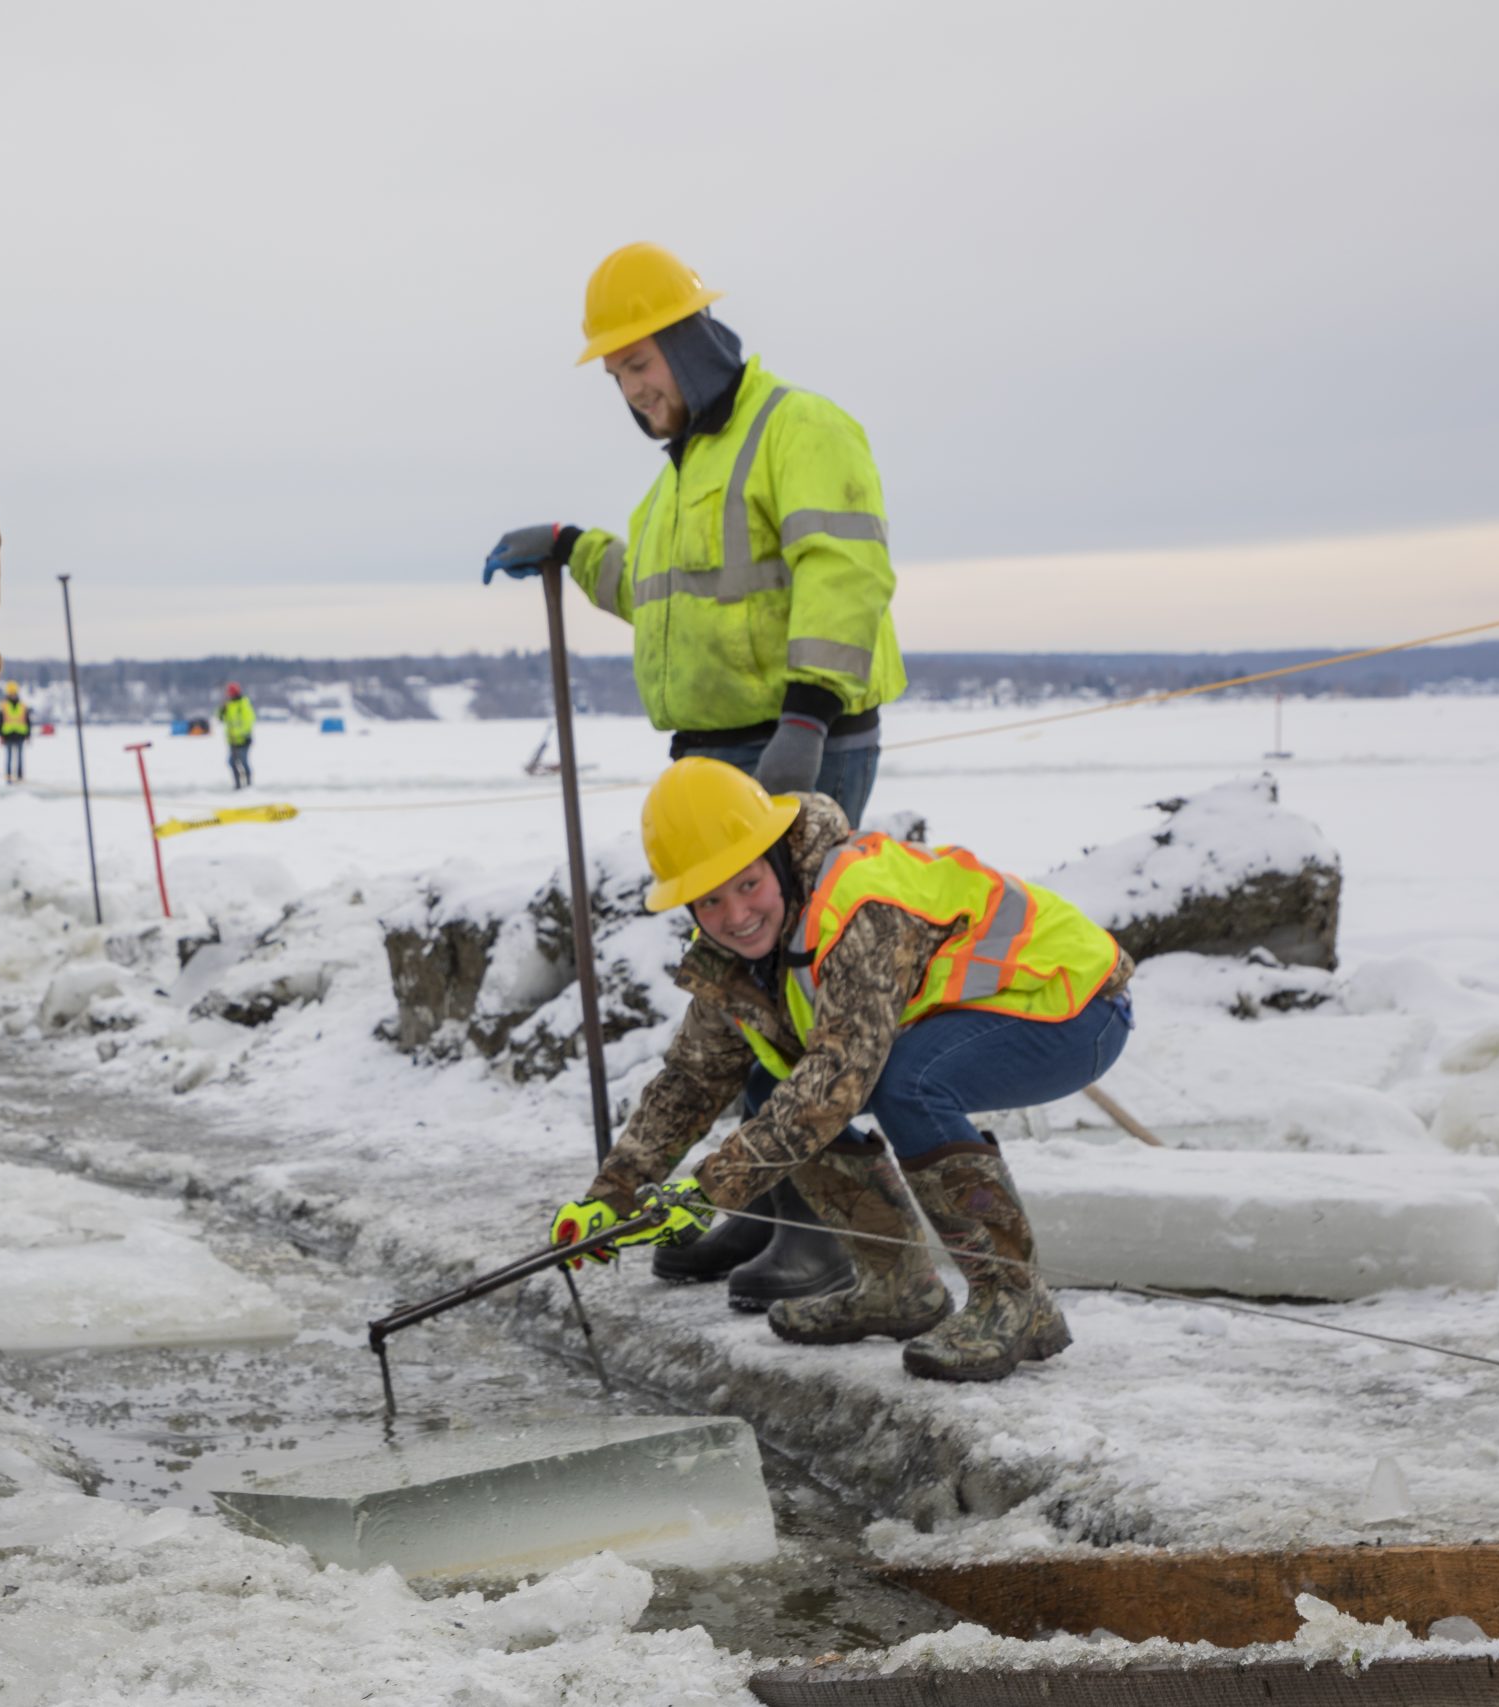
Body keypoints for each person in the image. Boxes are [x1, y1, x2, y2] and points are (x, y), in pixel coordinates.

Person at [483, 242, 910, 1310]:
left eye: (641, 364)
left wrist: (807, 719)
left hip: (792, 743)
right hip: (716, 756)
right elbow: (659, 594)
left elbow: (844, 571)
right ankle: (766, 1208)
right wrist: (576, 548)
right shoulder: (680, 477)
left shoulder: (796, 428)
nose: (633, 390)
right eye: (618, 375)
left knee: (800, 998)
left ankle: (822, 1237)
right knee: (740, 1001)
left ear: (689, 338)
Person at [550, 760, 1135, 1383]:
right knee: (769, 1085)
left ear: (775, 859)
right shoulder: (735, 958)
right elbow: (690, 1082)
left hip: (1073, 1007)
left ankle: (1016, 1302)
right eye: (710, 900)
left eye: (747, 884)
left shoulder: (858, 906)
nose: (736, 914)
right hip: (978, 1016)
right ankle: (896, 1285)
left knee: (903, 1081)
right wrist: (609, 1200)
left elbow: (839, 1079)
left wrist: (706, 1192)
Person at [220, 681, 255, 788]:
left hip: (243, 740)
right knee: (232, 762)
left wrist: (241, 734)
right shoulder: (229, 705)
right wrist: (222, 711)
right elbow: (222, 718)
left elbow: (249, 720)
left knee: (243, 761)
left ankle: (248, 784)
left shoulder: (243, 704)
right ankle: (238, 784)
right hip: (232, 740)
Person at [0, 680, 29, 782]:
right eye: (11, 693)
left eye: (14, 693)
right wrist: (0, 735)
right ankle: (8, 776)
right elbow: (0, 722)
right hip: (8, 735)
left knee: (20, 757)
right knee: (9, 757)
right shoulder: (3, 706)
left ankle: (20, 776)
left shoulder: (23, 706)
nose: (12, 695)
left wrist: (28, 734)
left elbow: (27, 721)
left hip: (20, 734)